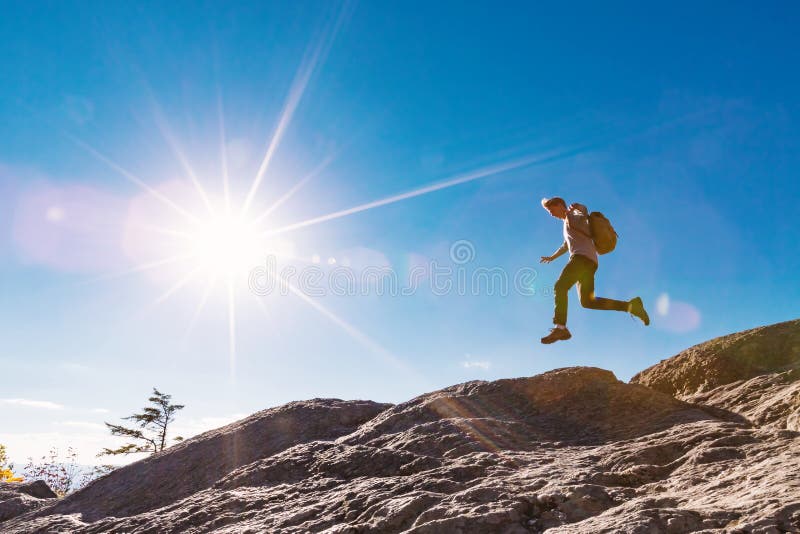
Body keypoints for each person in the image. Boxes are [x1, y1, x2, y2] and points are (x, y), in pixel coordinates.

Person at [539, 197, 649, 344]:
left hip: (581, 259)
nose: (551, 214)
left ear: (559, 205)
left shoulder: (573, 215)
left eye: (551, 210)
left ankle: (560, 327)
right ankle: (631, 306)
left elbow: (584, 212)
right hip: (590, 262)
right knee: (587, 302)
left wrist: (578, 206)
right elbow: (566, 245)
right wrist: (552, 257)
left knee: (560, 286)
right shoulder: (566, 224)